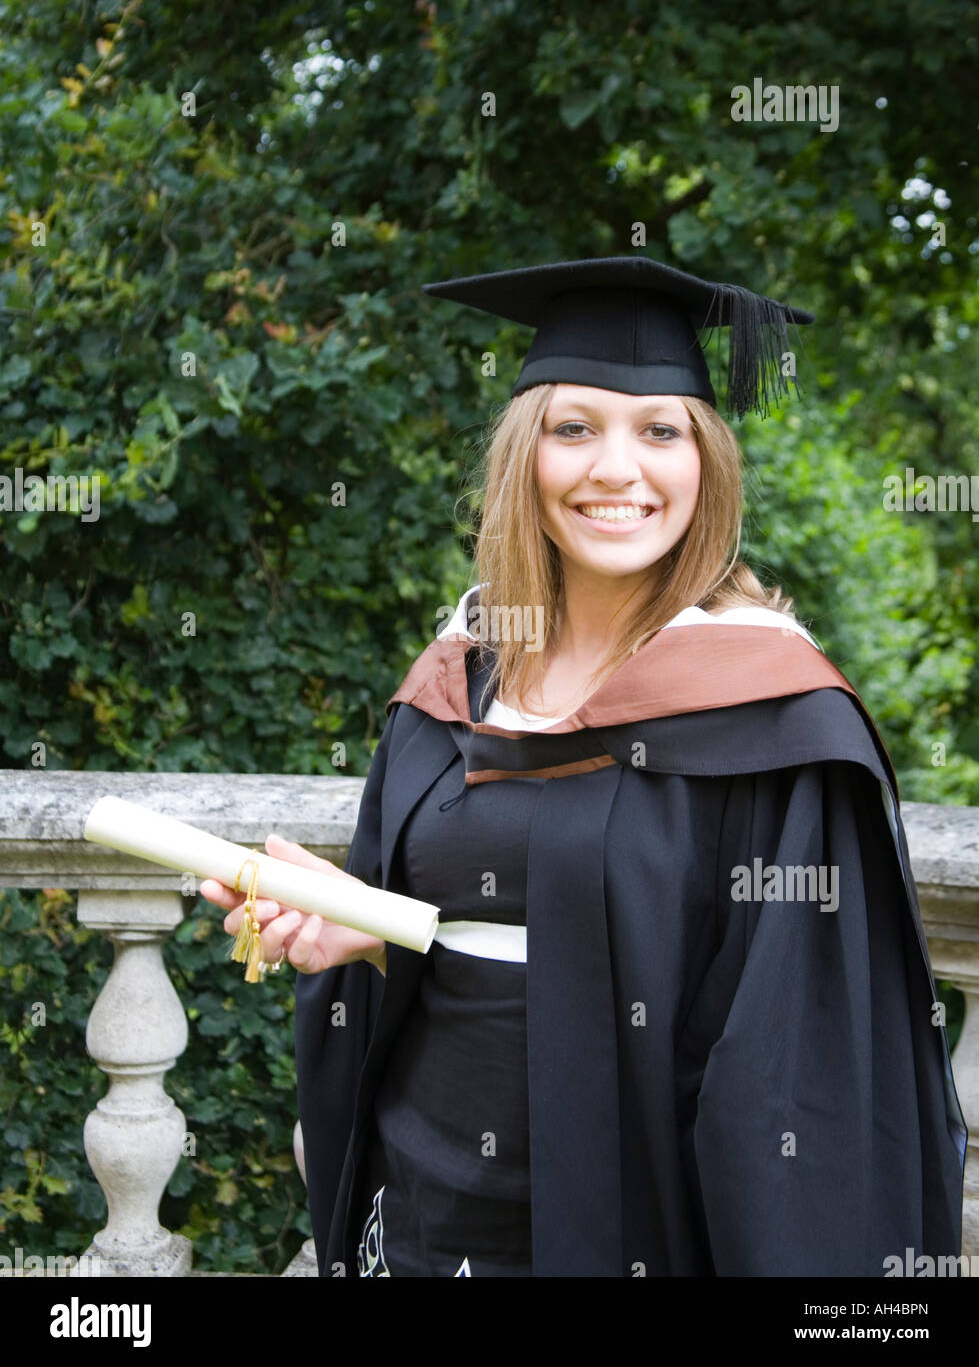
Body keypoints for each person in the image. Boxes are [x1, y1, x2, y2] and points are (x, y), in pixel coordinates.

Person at [202, 256, 967, 1278]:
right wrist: (369, 928)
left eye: (660, 431)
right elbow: (479, 930)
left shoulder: (770, 713)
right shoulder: (457, 677)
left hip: (631, 1232)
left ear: (706, 464)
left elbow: (796, 1071)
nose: (617, 468)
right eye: (575, 428)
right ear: (527, 456)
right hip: (426, 1216)